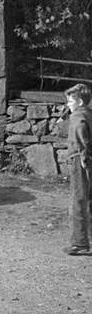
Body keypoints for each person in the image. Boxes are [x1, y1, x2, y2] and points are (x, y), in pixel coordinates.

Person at [64, 83, 92, 256]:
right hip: (88, 159)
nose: (68, 104)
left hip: (79, 160)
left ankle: (80, 242)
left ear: (79, 101)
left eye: (70, 101)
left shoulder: (77, 116)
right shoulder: (89, 114)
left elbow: (81, 132)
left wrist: (83, 154)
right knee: (88, 198)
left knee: (78, 199)